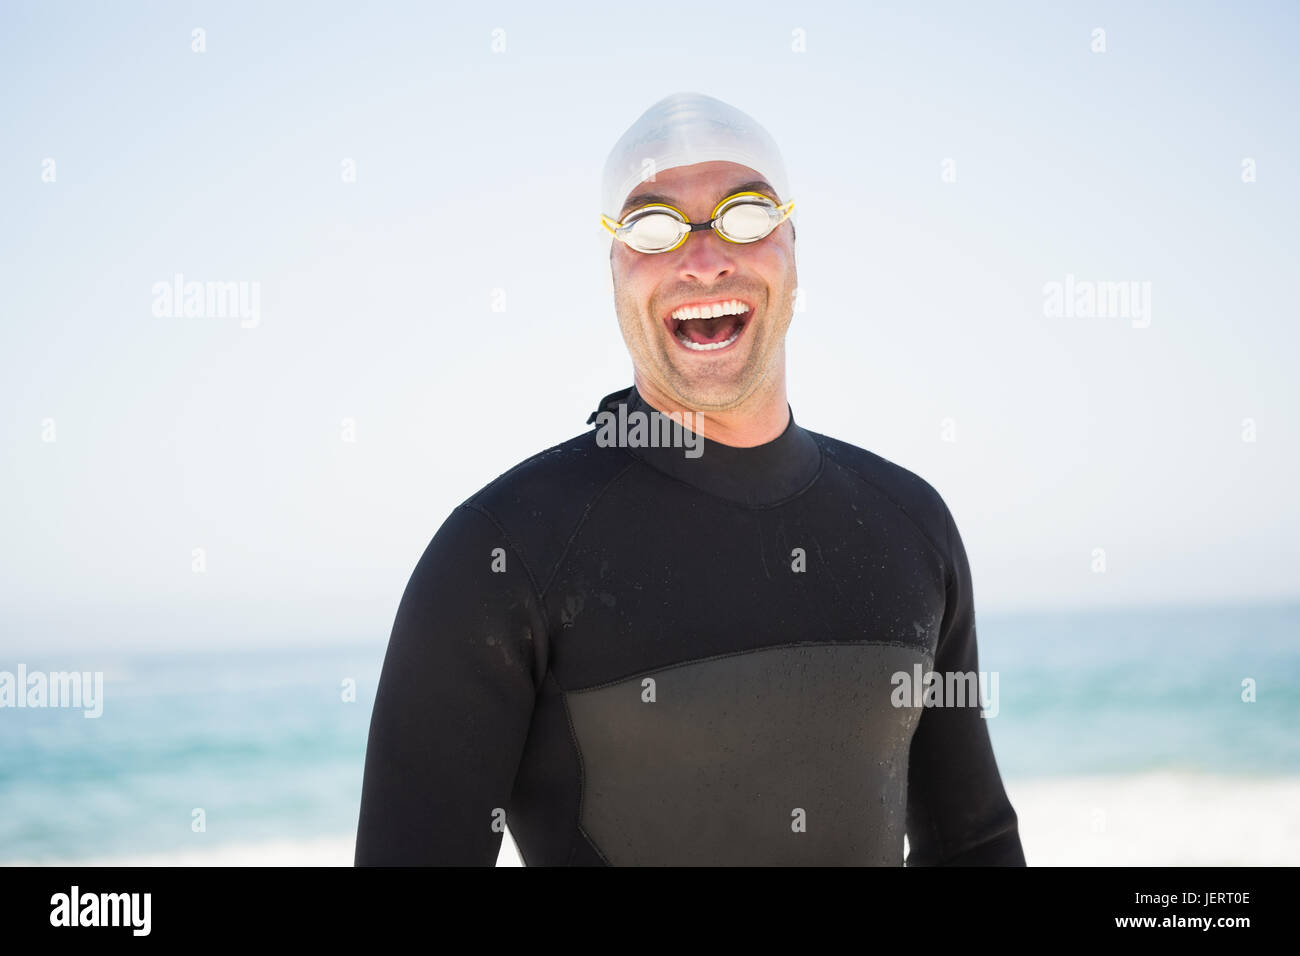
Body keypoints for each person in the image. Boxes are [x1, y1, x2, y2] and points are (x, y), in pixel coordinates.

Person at [354, 91, 1025, 866]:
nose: (704, 259)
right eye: (653, 225)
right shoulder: (500, 553)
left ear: (794, 247)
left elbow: (975, 842)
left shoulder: (912, 525)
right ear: (614, 268)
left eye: (746, 215)